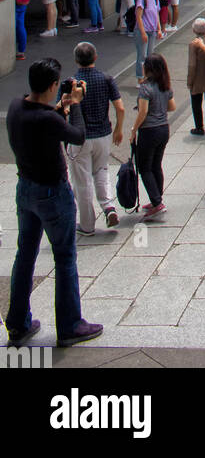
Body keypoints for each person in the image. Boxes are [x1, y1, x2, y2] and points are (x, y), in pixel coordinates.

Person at [4, 58, 104, 347]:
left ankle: (18, 324)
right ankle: (71, 325)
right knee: (65, 257)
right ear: (51, 86)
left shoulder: (16, 107)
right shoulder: (46, 119)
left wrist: (63, 107)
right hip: (52, 193)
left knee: (25, 256)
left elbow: (44, 124)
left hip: (25, 189)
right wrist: (77, 105)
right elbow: (78, 136)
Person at [66, 42, 124, 233]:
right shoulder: (106, 78)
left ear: (76, 60)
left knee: (82, 181)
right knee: (101, 170)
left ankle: (87, 224)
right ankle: (108, 207)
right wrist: (118, 128)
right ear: (95, 57)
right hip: (103, 133)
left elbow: (64, 108)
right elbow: (120, 107)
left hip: (79, 137)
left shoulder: (71, 82)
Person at [130, 53, 174, 219]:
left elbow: (143, 111)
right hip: (164, 128)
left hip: (149, 130)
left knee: (144, 167)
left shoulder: (145, 88)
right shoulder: (166, 86)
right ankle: (157, 197)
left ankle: (156, 202)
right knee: (156, 164)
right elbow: (172, 107)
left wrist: (134, 129)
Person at [133, 0, 161, 80]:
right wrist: (143, 32)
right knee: (142, 56)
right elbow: (138, 17)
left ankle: (148, 76)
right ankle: (140, 77)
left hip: (152, 31)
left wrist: (159, 29)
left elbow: (156, 14)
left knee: (150, 55)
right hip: (142, 31)